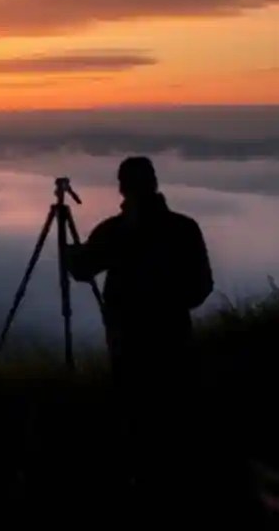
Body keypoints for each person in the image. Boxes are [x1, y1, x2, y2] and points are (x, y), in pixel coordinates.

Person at [66, 156, 213, 387]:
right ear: (154, 183)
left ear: (122, 188)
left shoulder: (114, 231)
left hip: (127, 343)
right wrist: (171, 305)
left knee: (133, 408)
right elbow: (202, 286)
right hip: (176, 339)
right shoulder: (184, 228)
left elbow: (82, 270)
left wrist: (69, 252)